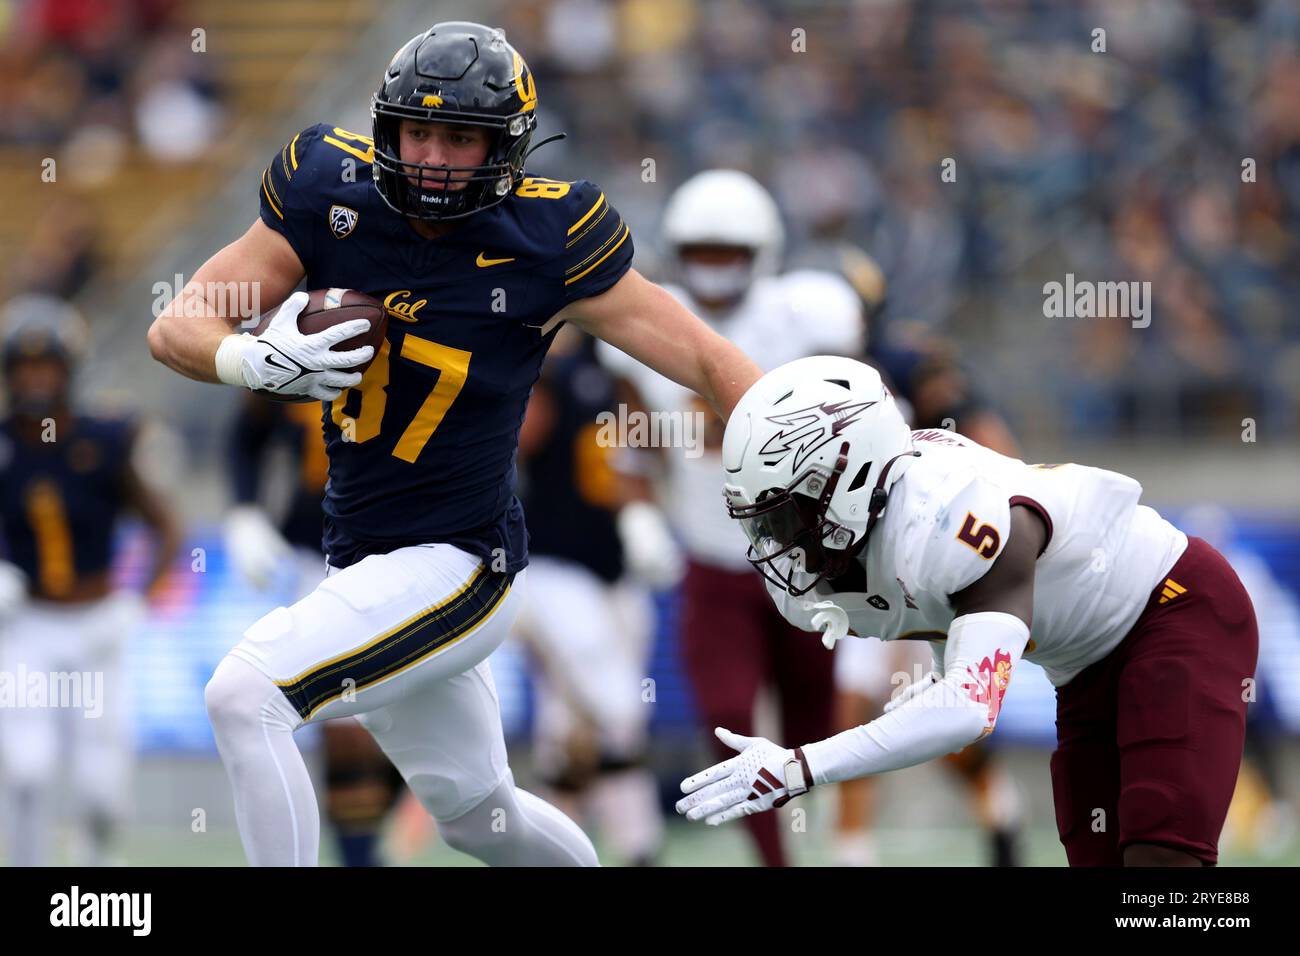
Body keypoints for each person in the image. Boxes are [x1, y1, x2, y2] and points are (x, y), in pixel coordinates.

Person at [146, 20, 760, 866]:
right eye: (418, 130)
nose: (432, 155)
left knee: (244, 694)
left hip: (461, 560)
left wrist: (802, 438)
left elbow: (704, 355)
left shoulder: (553, 236)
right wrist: (251, 358)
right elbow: (178, 322)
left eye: (460, 137)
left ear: (504, 146)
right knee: (479, 814)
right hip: (359, 558)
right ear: (385, 127)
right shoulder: (329, 189)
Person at [676, 355, 1259, 867]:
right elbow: (937, 617)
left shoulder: (951, 518)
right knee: (1097, 852)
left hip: (1175, 610)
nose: (774, 539)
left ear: (848, 483)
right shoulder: (857, 537)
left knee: (1161, 857)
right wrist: (938, 674)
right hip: (1083, 668)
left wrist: (801, 767)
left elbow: (969, 711)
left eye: (784, 515)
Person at [599, 169, 862, 865]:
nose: (714, 271)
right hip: (714, 563)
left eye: (729, 254)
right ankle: (775, 860)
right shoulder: (649, 322)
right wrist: (638, 517)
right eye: (702, 254)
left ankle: (815, 836)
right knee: (729, 718)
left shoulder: (807, 319)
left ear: (764, 252)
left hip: (809, 562)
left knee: (814, 729)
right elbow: (632, 442)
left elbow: (858, 424)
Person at [0, 294, 181, 865]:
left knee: (101, 788)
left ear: (68, 369)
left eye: (45, 364)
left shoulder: (103, 440)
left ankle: (93, 876)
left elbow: (168, 527)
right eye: (24, 366)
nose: (35, 378)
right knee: (24, 768)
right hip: (25, 624)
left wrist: (136, 601)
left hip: (98, 622)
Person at [225, 394, 407, 867]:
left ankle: (378, 827)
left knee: (411, 728)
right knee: (343, 722)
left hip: (422, 552)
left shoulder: (429, 330)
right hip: (322, 557)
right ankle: (361, 859)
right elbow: (248, 430)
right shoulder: (299, 329)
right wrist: (245, 508)